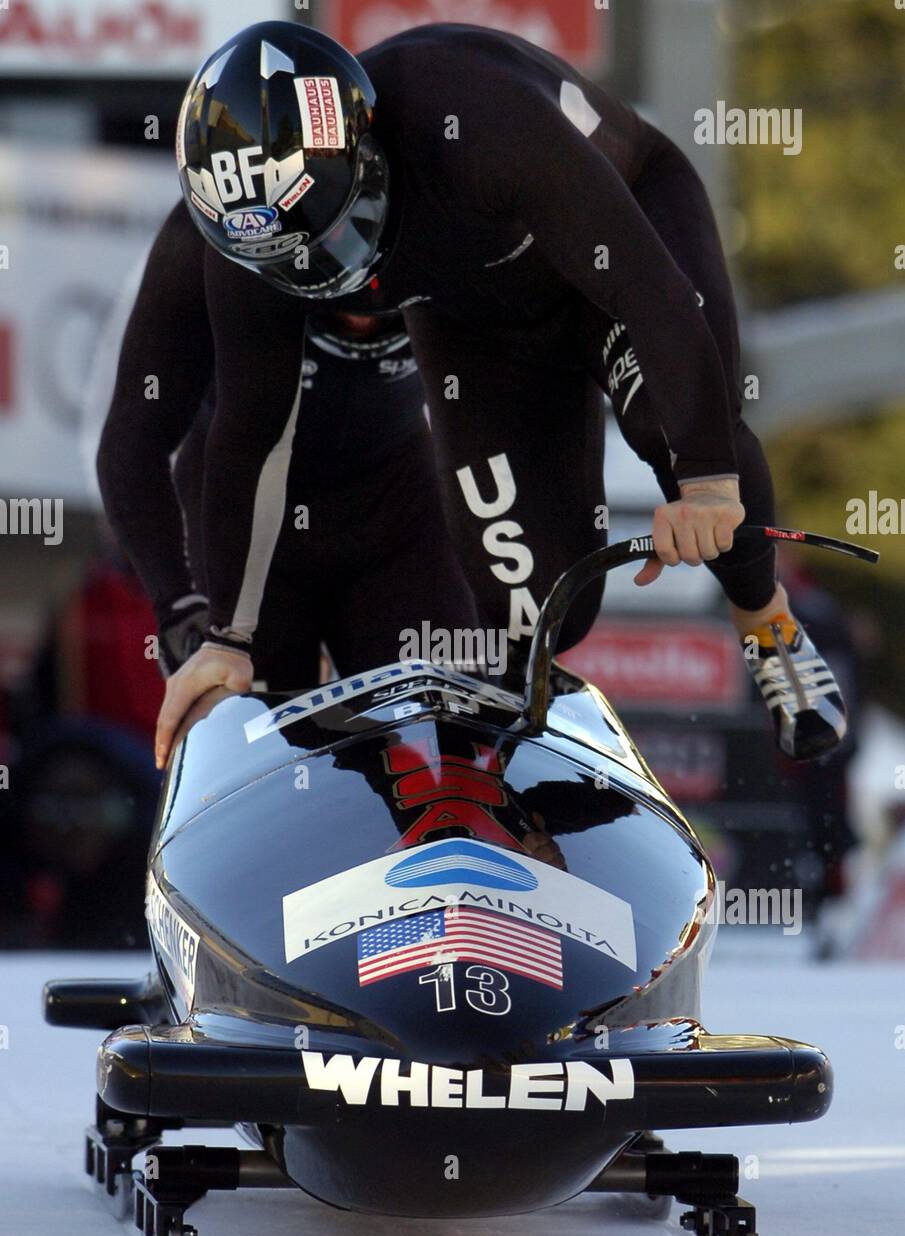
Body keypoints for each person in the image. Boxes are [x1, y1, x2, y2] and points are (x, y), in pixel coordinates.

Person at [158, 18, 847, 766]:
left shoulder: (474, 116)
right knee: (536, 600)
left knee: (668, 424)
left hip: (624, 248)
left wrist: (706, 484)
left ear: (366, 145)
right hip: (480, 317)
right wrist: (230, 637)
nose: (325, 271)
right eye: (290, 257)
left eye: (333, 232)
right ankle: (531, 747)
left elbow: (651, 292)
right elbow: (251, 429)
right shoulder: (247, 244)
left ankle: (766, 620)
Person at [96, 199, 478, 767]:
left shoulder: (458, 231)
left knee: (448, 749)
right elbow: (131, 447)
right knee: (251, 764)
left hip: (396, 506)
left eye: (383, 300)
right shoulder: (212, 233)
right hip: (239, 517)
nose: (363, 322)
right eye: (339, 297)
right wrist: (180, 609)